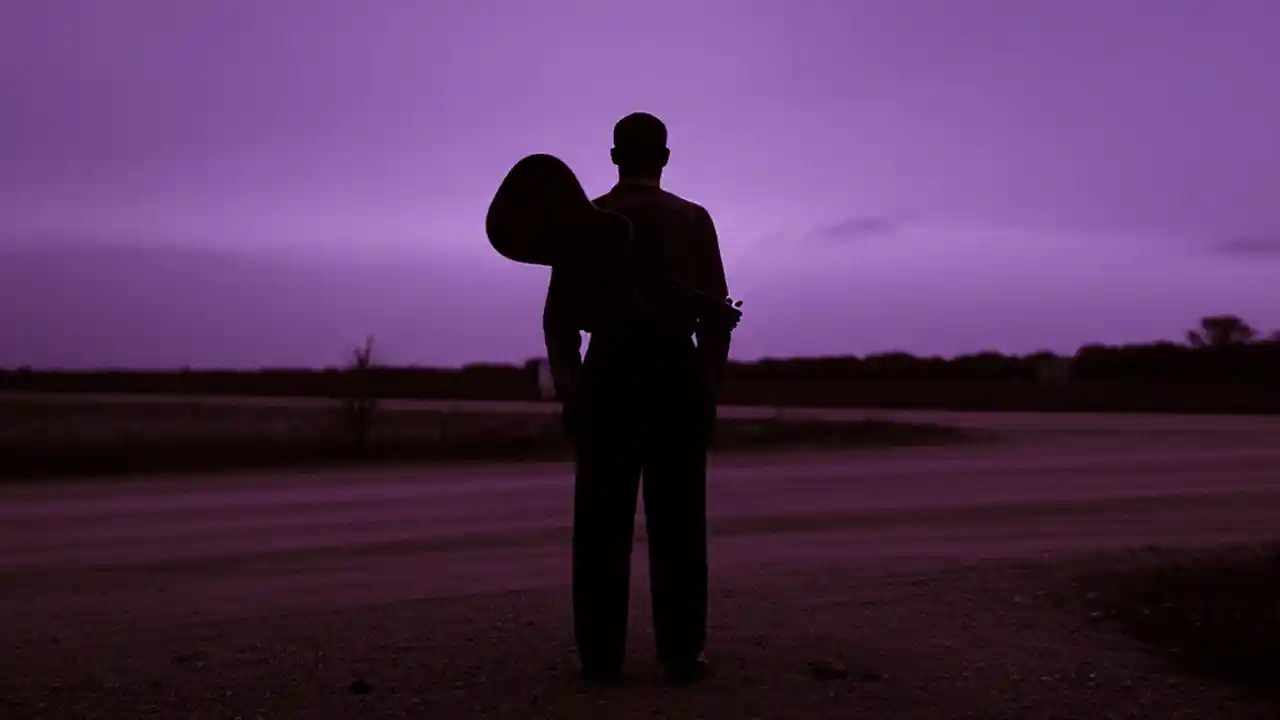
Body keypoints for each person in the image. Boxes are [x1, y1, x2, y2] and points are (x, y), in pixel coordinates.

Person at [543, 112, 740, 686]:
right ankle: (681, 652)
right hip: (676, 375)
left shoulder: (586, 221)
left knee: (601, 525)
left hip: (608, 375)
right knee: (679, 520)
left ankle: (600, 659)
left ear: (613, 157)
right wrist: (706, 387)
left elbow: (558, 321)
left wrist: (571, 390)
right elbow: (717, 319)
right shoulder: (694, 219)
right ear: (666, 157)